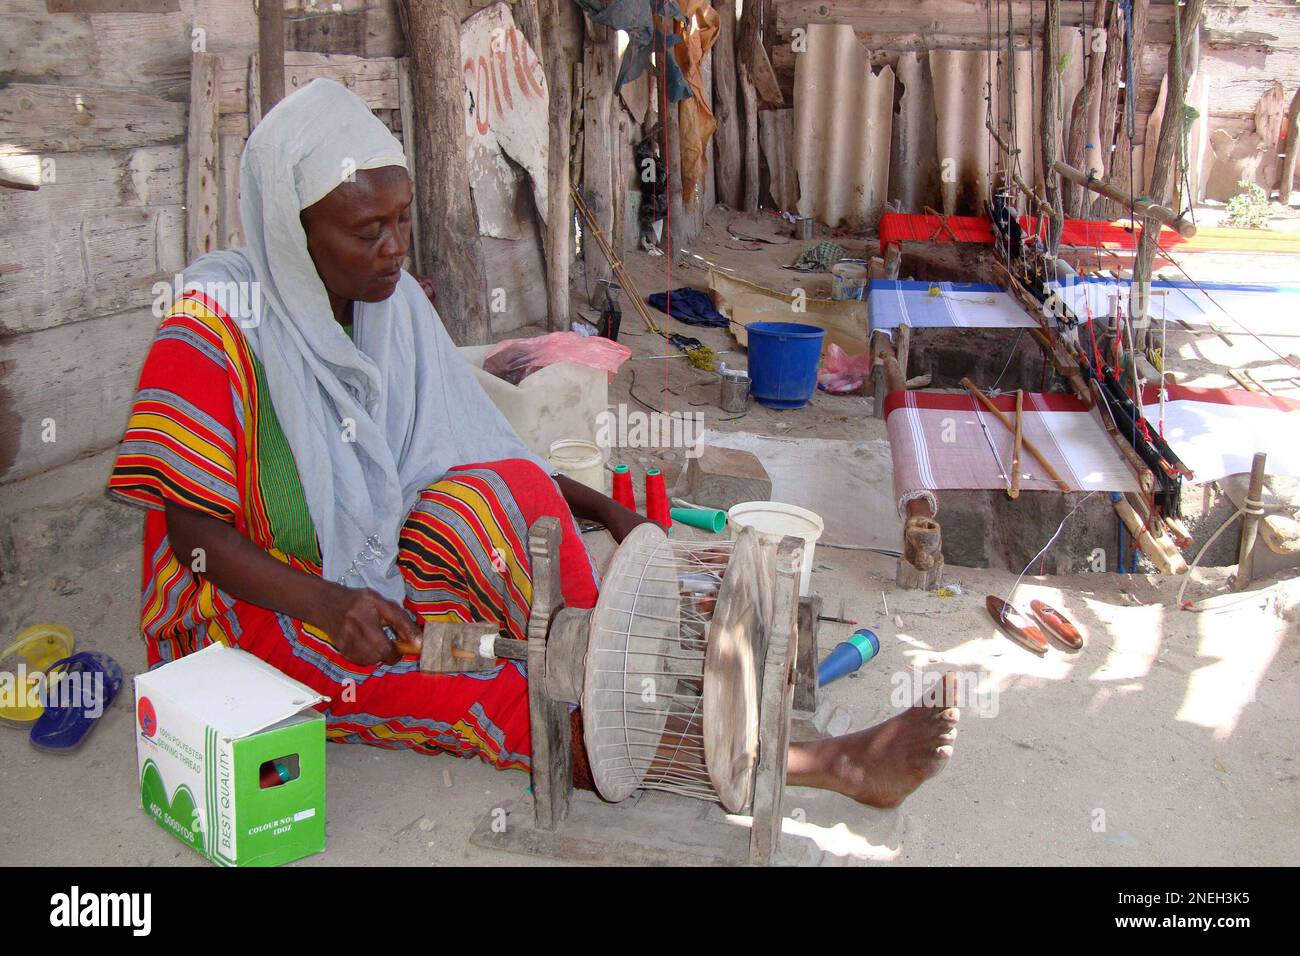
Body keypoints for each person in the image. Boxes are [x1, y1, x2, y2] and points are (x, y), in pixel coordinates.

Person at [109, 79, 957, 808]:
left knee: (505, 502)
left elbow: (472, 446)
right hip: (247, 612)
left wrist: (609, 510)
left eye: (401, 220)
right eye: (367, 231)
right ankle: (805, 760)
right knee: (487, 688)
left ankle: (630, 659)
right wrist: (330, 606)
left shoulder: (388, 306)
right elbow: (192, 544)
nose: (395, 250)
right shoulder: (212, 325)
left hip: (366, 570)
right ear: (292, 234)